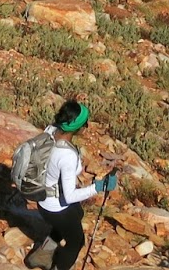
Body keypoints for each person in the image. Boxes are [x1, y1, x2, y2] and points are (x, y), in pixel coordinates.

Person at [25, 101, 115, 270]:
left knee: (78, 212)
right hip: (54, 207)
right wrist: (98, 187)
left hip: (42, 195)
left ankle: (42, 255)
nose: (86, 127)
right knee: (76, 241)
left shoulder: (50, 130)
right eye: (85, 124)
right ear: (78, 128)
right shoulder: (66, 156)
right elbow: (70, 196)